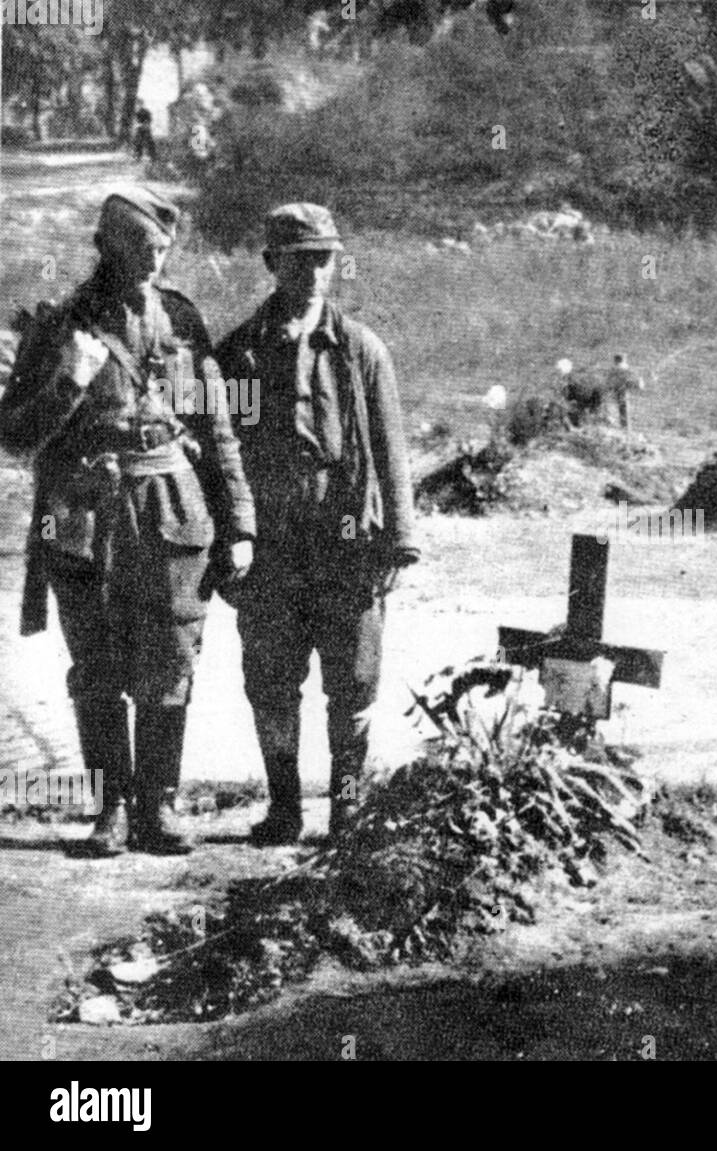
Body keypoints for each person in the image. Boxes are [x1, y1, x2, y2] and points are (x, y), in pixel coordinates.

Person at [0, 187, 256, 857]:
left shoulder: (180, 322)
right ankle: (110, 808)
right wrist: (68, 381)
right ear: (108, 246)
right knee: (96, 666)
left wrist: (241, 524)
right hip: (86, 518)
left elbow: (217, 429)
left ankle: (159, 807)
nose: (154, 260)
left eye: (163, 249)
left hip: (172, 513)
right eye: (142, 247)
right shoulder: (62, 325)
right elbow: (13, 435)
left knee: (171, 659)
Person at [216, 203, 420, 846]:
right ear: (272, 263)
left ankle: (348, 811)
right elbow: (224, 448)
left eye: (324, 259)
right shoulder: (240, 356)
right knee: (272, 682)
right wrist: (229, 539)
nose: (313, 272)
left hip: (346, 542)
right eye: (299, 259)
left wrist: (402, 539)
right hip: (271, 546)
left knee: (353, 683)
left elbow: (391, 451)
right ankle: (283, 809)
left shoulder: (360, 351)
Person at [605, 353, 644, 431]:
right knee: (624, 410)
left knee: (615, 410)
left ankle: (619, 427)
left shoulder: (613, 369)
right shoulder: (625, 368)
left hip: (613, 391)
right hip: (623, 391)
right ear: (623, 359)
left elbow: (608, 381)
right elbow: (635, 380)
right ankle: (625, 428)